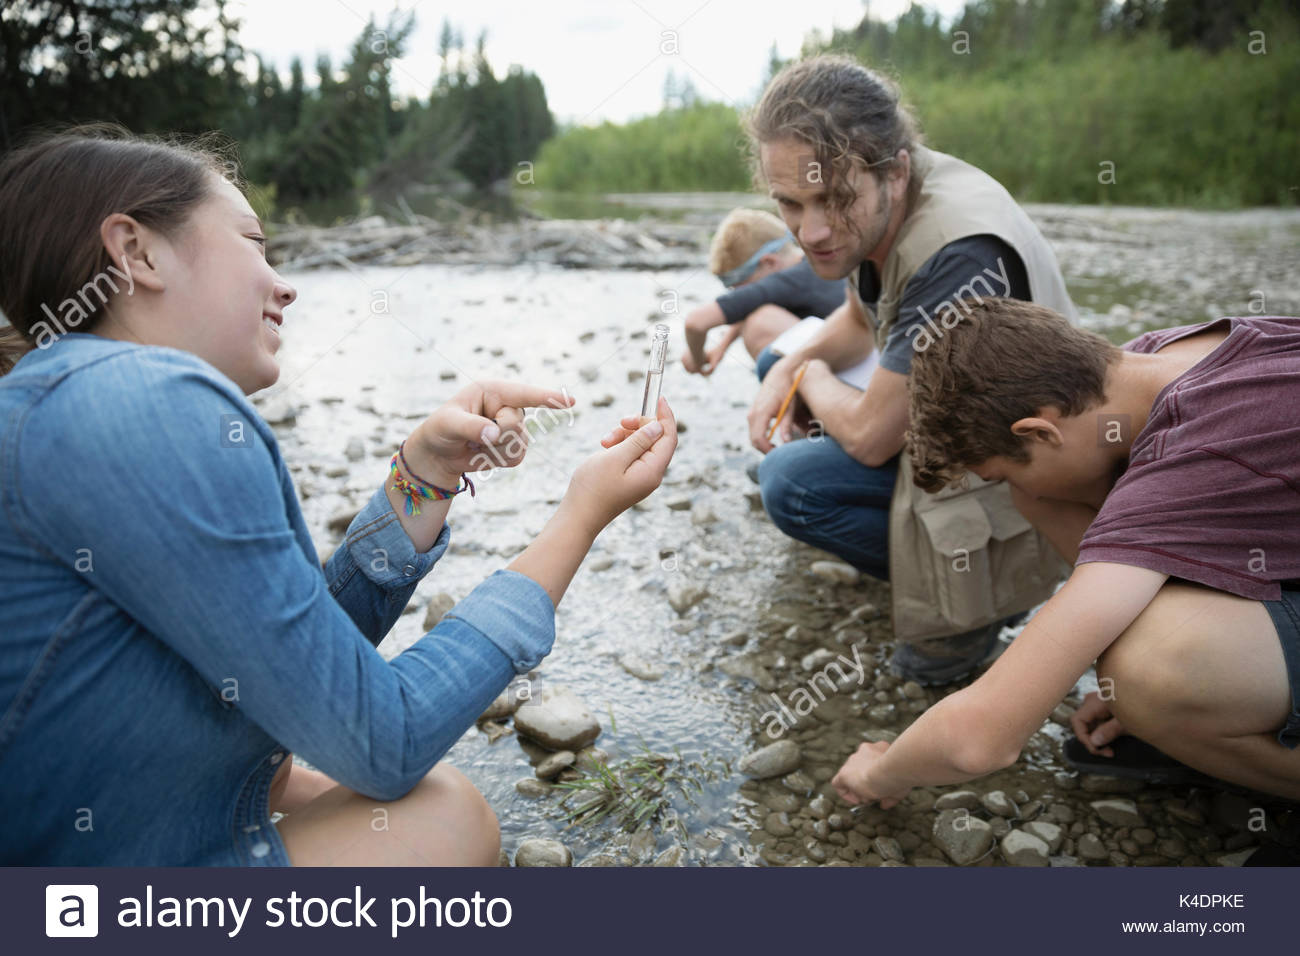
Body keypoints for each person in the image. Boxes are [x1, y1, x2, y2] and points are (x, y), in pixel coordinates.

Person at [0, 127, 678, 866]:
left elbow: (292, 665)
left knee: (295, 777)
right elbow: (386, 739)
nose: (283, 283)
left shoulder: (69, 402)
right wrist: (579, 519)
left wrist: (425, 473)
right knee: (442, 822)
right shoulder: (150, 398)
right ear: (136, 253)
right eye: (253, 244)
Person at [832, 297, 1300, 807]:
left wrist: (880, 775)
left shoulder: (1192, 453)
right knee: (1042, 496)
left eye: (1002, 473)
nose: (1013, 487)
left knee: (1148, 671)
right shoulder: (1162, 356)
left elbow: (978, 740)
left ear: (1039, 431)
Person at [743, 54, 1076, 684]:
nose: (810, 232)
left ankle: (977, 607)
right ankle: (914, 558)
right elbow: (857, 319)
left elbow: (870, 440)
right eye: (789, 203)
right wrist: (786, 367)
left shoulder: (957, 253)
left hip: (1025, 484)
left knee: (791, 482)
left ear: (893, 171)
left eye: (832, 201)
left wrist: (802, 378)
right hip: (952, 435)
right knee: (775, 357)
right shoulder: (886, 197)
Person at [679, 208, 846, 378]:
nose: (745, 294)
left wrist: (696, 357)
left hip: (849, 371)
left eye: (742, 289)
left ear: (769, 262)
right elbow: (752, 303)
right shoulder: (807, 267)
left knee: (759, 324)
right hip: (855, 358)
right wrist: (722, 346)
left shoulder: (788, 281)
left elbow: (695, 322)